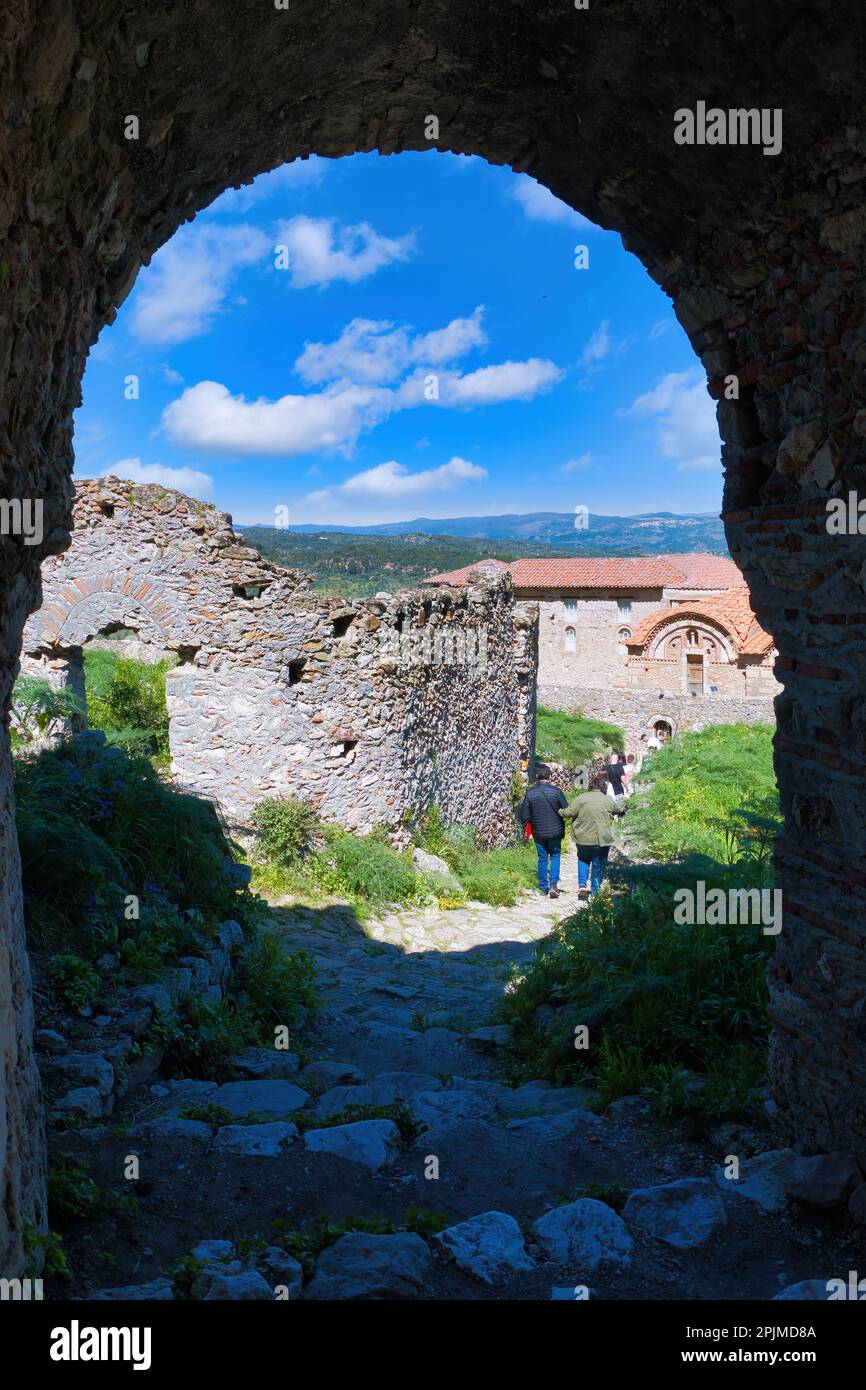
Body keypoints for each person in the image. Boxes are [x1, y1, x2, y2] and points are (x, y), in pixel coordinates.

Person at [560, 773, 627, 900]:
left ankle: (582, 886)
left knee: (583, 859)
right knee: (598, 863)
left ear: (590, 786)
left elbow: (568, 812)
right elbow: (619, 810)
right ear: (603, 787)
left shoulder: (581, 798)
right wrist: (625, 806)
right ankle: (596, 890)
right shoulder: (607, 799)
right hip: (602, 839)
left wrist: (558, 811)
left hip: (582, 838)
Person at [519, 764, 568, 899]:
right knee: (555, 855)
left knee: (542, 857)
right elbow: (566, 810)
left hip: (539, 831)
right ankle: (553, 885)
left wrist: (529, 826)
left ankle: (543, 887)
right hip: (555, 830)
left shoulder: (530, 793)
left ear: (536, 777)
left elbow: (524, 815)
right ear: (549, 776)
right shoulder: (556, 792)